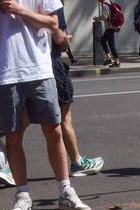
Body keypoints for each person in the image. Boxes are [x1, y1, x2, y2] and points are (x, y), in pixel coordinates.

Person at [0, 0, 91, 210]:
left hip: (39, 69)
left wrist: (20, 10)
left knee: (54, 130)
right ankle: (22, 195)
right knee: (13, 136)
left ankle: (66, 191)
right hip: (3, 71)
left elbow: (53, 22)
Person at [51, 9, 104, 176]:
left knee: (22, 120)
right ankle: (77, 162)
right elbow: (59, 38)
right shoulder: (52, 4)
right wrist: (66, 40)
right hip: (52, 63)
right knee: (63, 117)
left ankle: (7, 164)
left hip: (29, 67)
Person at [96, 0, 123, 66]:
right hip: (112, 26)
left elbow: (105, 17)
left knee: (111, 45)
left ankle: (117, 61)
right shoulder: (110, 2)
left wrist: (97, 18)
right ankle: (109, 58)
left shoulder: (104, 4)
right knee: (103, 40)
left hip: (110, 27)